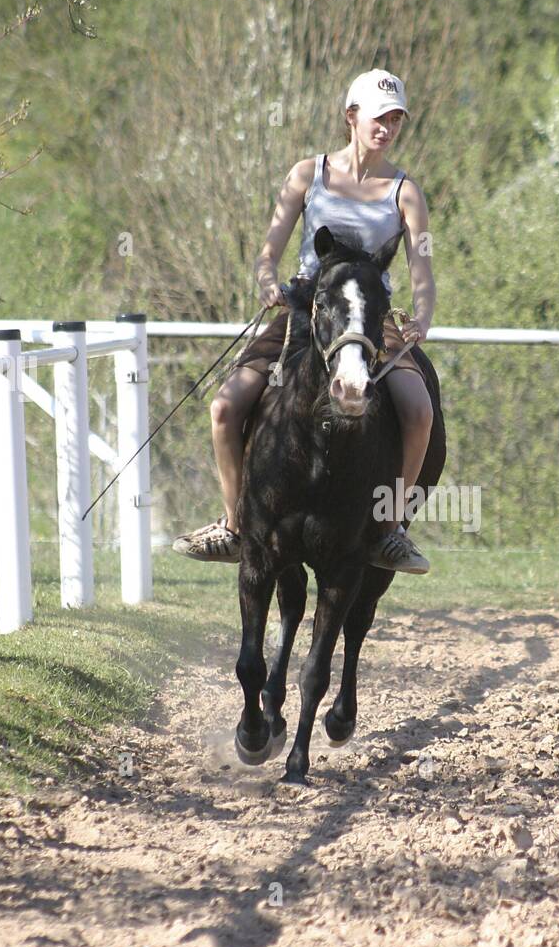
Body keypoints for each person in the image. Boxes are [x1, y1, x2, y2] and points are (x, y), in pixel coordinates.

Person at [173, 68, 435, 573]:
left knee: (419, 411)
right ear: (351, 117)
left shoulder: (406, 192)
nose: (387, 128)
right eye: (379, 118)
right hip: (309, 309)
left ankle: (390, 530)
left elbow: (422, 271)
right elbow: (267, 252)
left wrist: (421, 317)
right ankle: (233, 525)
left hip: (372, 316)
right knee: (225, 408)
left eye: (396, 119)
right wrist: (268, 281)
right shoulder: (306, 174)